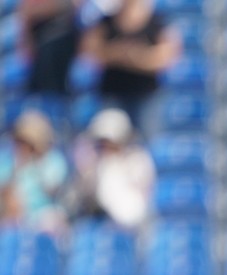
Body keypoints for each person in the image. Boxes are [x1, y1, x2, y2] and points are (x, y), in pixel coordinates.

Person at [80, 0, 182, 138]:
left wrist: (137, 58)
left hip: (147, 95)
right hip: (112, 92)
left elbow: (167, 57)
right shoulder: (106, 21)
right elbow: (90, 51)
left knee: (146, 140)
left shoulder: (158, 22)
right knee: (109, 137)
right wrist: (118, 53)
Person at [68, 107, 156, 231]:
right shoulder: (99, 164)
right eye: (101, 142)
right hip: (103, 224)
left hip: (136, 226)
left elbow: (140, 202)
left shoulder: (138, 159)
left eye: (107, 141)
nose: (104, 147)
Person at [0, 110, 69, 235]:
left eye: (27, 141)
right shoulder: (9, 160)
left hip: (43, 216)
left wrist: (35, 163)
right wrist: (16, 169)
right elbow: (4, 191)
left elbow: (52, 190)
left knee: (53, 219)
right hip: (14, 218)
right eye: (20, 140)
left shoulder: (54, 160)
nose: (23, 145)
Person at [19, 0, 81, 107]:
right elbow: (26, 14)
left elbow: (70, 6)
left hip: (62, 40)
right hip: (39, 44)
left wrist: (39, 11)